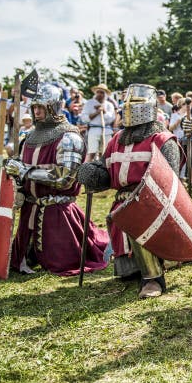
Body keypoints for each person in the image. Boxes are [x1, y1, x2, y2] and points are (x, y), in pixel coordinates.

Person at [78, 84, 183, 298]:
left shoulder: (162, 139)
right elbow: (107, 170)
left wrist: (144, 199)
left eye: (134, 105)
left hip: (153, 204)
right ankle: (134, 267)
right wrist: (92, 172)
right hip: (123, 203)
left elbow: (169, 183)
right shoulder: (118, 139)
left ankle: (153, 279)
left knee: (136, 218)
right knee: (124, 222)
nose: (129, 109)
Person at [4, 83, 109, 276]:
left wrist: (25, 171)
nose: (36, 111)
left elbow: (65, 179)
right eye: (34, 107)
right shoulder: (30, 137)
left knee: (63, 260)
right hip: (30, 211)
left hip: (57, 214)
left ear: (53, 107)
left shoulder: (69, 138)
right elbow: (23, 168)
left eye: (41, 107)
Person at [79, 83, 116, 162]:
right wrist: (96, 112)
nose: (99, 94)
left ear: (105, 94)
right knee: (91, 152)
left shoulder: (109, 105)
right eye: (98, 92)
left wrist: (104, 111)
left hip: (106, 130)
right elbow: (84, 118)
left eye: (102, 92)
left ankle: (104, 170)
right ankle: (86, 170)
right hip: (93, 130)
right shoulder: (89, 103)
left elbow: (111, 119)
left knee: (105, 153)